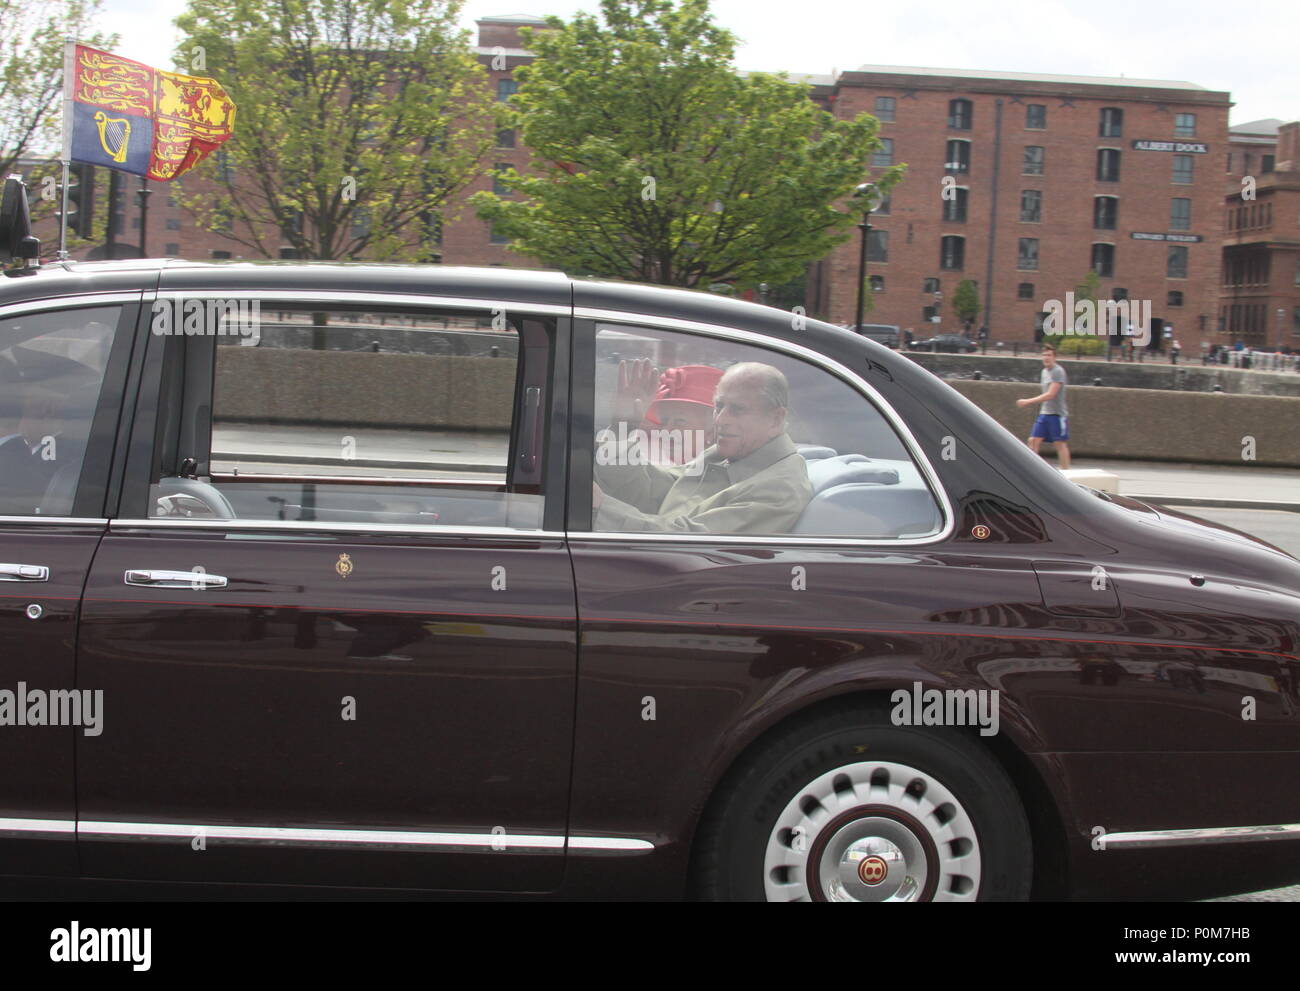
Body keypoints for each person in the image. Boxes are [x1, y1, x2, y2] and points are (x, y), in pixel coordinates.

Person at [593, 360, 813, 533]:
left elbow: (684, 543)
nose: (720, 420)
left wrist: (600, 506)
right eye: (719, 407)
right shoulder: (728, 455)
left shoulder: (779, 490)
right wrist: (625, 426)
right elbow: (650, 491)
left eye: (737, 409)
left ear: (775, 419)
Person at [1017, 344, 1071, 469]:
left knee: (1059, 444)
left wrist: (1027, 401)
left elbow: (1051, 394)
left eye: (1049, 355)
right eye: (1044, 355)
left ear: (1054, 358)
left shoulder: (1058, 371)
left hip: (1057, 415)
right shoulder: (1044, 372)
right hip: (1045, 413)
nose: (1046, 358)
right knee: (1033, 440)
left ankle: (1067, 473)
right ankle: (1033, 469)